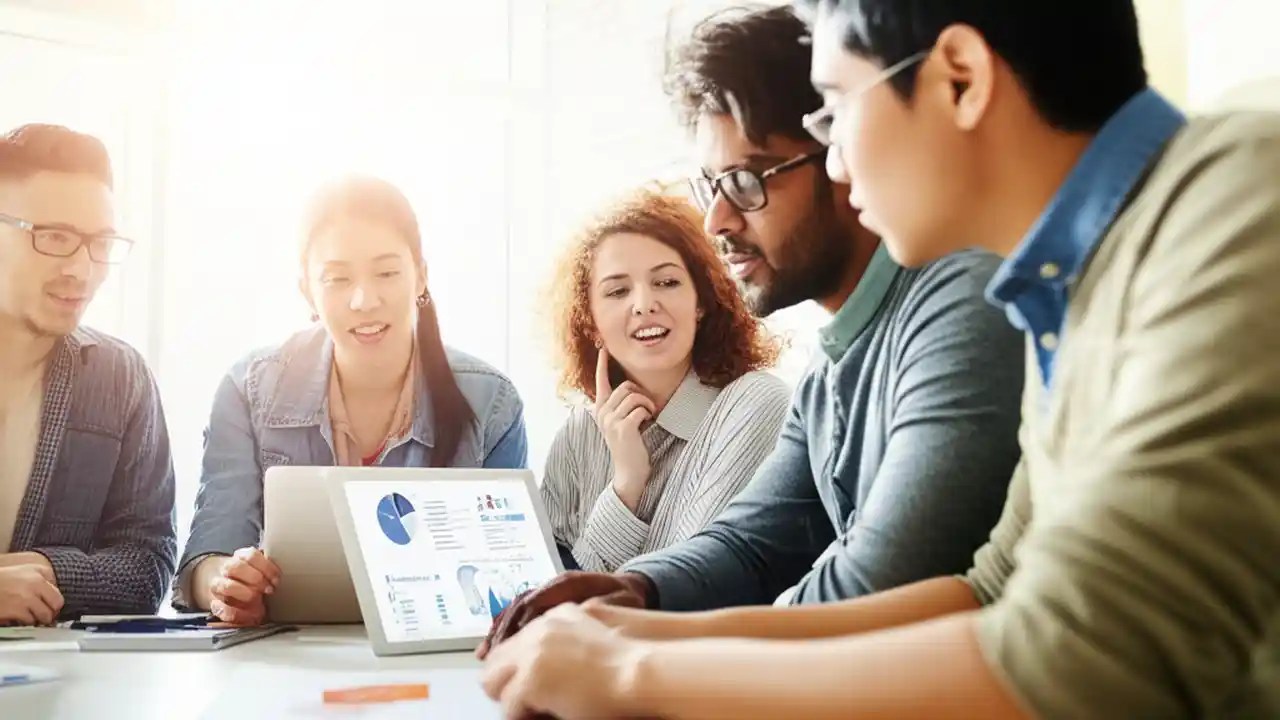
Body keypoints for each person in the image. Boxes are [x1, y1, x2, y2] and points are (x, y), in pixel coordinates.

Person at [477, 1, 1280, 718]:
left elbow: (1086, 663)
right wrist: (636, 625)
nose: (833, 161)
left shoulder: (1242, 199)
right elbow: (992, 590)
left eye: (834, 113)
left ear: (960, 78)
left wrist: (637, 674)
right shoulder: (1059, 288)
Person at [477, 3, 1023, 643]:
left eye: (744, 181)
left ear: (839, 148)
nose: (718, 224)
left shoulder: (959, 300)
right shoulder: (831, 364)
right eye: (711, 188)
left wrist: (647, 653)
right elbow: (750, 543)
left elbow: (883, 577)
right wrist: (633, 590)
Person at [174, 176, 528, 625]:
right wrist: (227, 585)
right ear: (307, 291)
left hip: (437, 656)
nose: (364, 300)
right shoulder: (250, 388)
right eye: (338, 279)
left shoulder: (490, 402)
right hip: (288, 655)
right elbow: (207, 556)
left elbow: (507, 578)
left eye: (386, 273)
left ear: (421, 274)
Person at [541, 190, 789, 573]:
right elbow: (548, 598)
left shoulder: (757, 404)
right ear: (590, 323)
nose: (643, 304)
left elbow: (694, 583)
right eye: (618, 291)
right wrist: (626, 483)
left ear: (701, 302)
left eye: (667, 282)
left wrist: (625, 489)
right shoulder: (578, 436)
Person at [0, 124, 176, 625]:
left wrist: (45, 571)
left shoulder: (120, 379)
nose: (82, 269)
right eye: (54, 237)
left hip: (65, 692)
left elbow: (147, 566)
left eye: (100, 242)